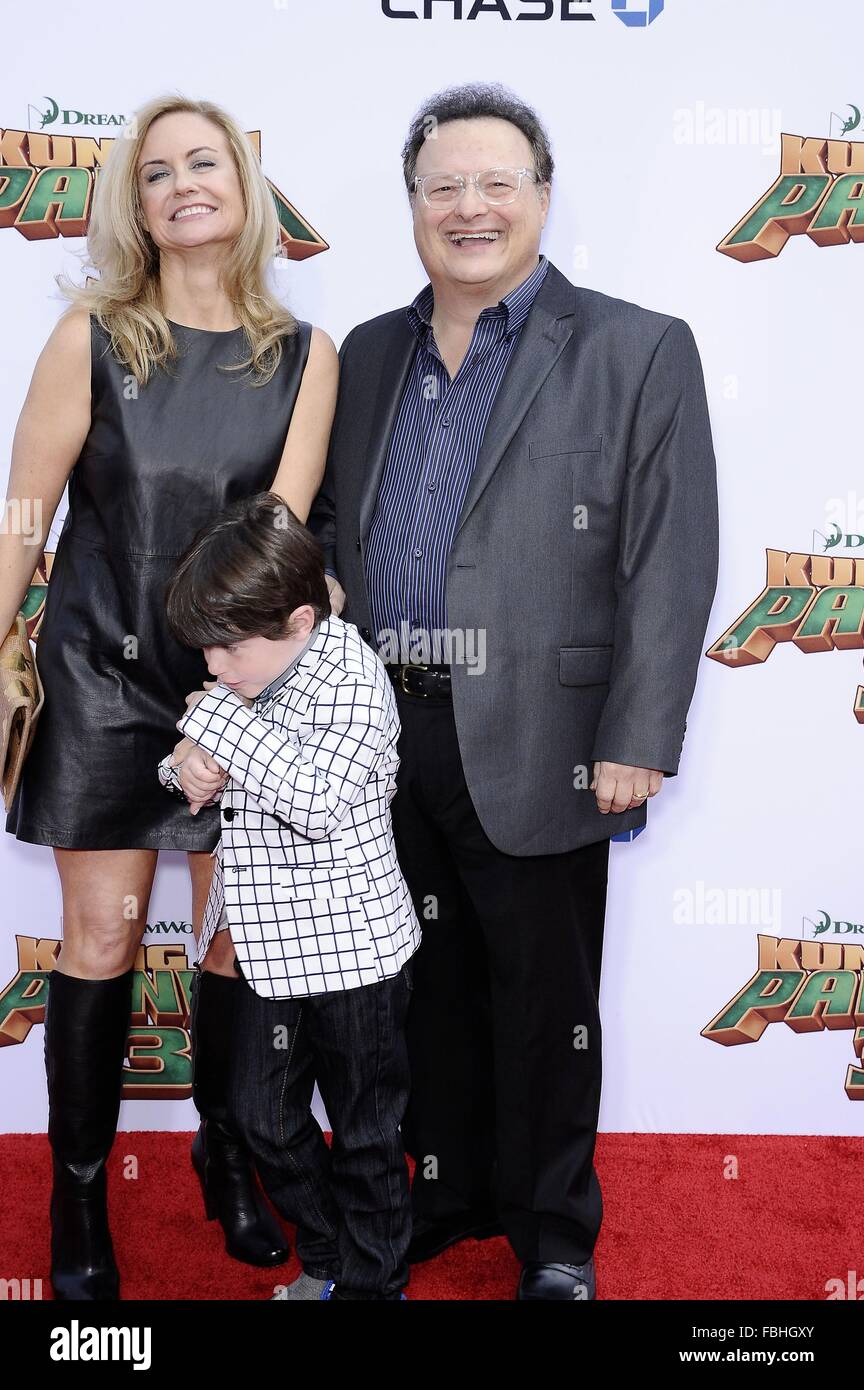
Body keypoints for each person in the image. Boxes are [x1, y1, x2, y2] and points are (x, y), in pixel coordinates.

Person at [308, 81, 719, 1300]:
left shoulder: (638, 346)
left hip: (547, 733)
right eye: (444, 186)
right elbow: (336, 529)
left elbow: (670, 555)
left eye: (497, 183)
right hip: (384, 733)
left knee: (547, 1004)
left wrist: (638, 734)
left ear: (542, 196)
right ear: (414, 206)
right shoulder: (369, 351)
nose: (470, 207)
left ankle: (551, 1236)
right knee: (411, 991)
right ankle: (436, 1203)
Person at [0, 94, 338, 1299]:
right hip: (97, 674)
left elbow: (281, 538)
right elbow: (27, 517)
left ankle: (227, 1154)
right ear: (135, 207)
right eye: (159, 172)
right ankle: (78, 1203)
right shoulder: (92, 336)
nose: (186, 183)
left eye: (207, 163)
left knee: (237, 937)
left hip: (233, 686)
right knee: (100, 936)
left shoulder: (305, 354)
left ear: (244, 192)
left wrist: (246, 692)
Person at [156, 491, 420, 1301]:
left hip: (357, 954)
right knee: (265, 1121)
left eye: (227, 652)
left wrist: (215, 726)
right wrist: (187, 765)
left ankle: (376, 1287)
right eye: (207, 653)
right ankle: (332, 1258)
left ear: (299, 622)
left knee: (369, 1138)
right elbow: (194, 764)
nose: (213, 669)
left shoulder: (354, 679)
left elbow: (313, 804)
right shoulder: (253, 664)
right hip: (267, 950)